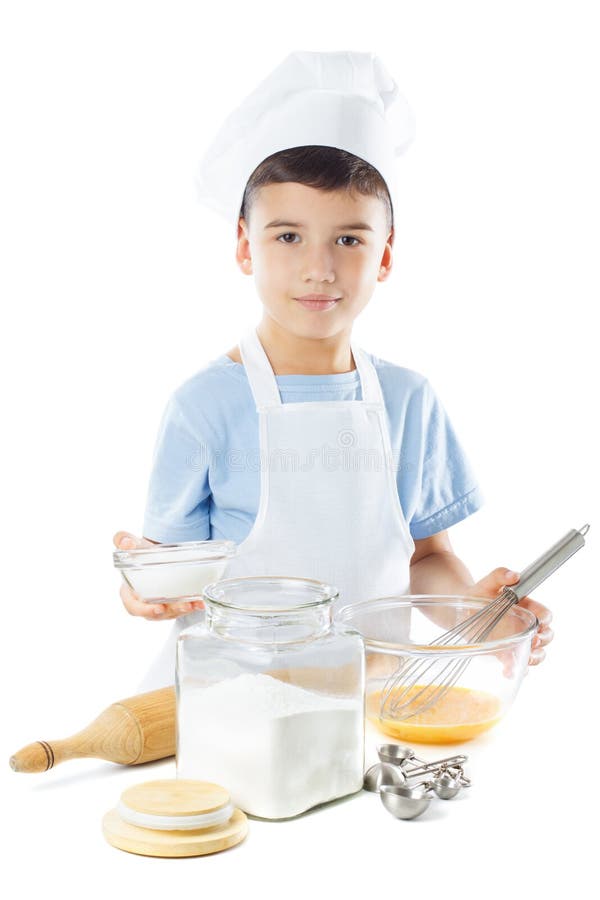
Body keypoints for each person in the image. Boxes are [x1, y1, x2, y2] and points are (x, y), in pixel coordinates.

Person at [113, 51, 553, 692]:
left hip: (374, 703)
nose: (318, 268)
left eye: (348, 239)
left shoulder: (409, 400)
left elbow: (427, 557)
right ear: (244, 245)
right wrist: (143, 588)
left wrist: (475, 612)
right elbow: (168, 575)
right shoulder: (203, 406)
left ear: (385, 255)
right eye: (288, 237)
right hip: (236, 704)